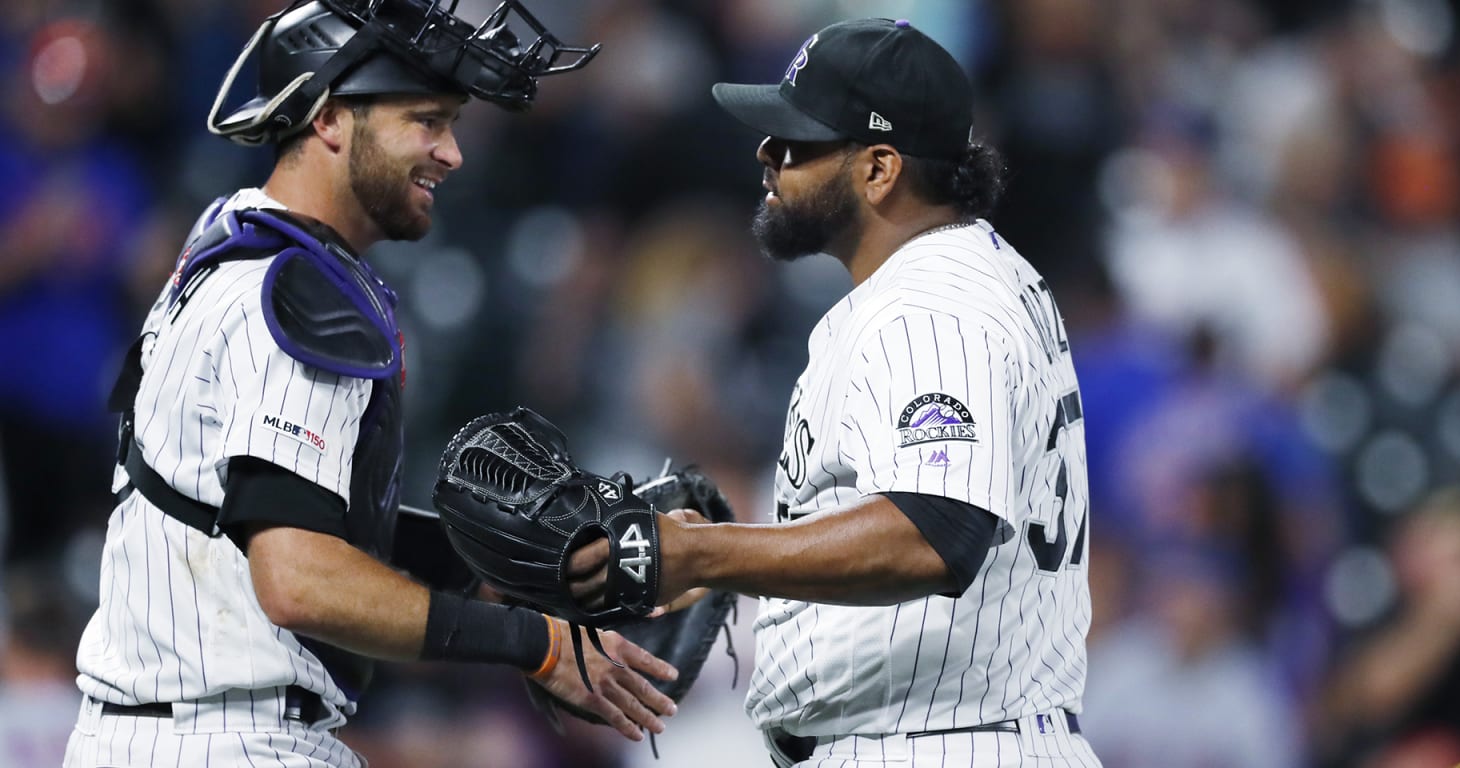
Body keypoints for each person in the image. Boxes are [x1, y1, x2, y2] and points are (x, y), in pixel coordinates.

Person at [64, 2, 677, 767]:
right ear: (328, 120)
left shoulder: (234, 244)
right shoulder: (299, 289)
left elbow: (281, 516)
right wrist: (535, 644)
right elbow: (298, 577)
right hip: (225, 738)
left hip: (163, 731)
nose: (451, 153)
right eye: (426, 120)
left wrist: (518, 574)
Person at [572, 18, 1102, 767]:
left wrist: (707, 553)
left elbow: (935, 531)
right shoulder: (968, 278)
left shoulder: (932, 300)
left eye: (796, 142)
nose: (767, 156)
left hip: (936, 746)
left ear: (879, 168)